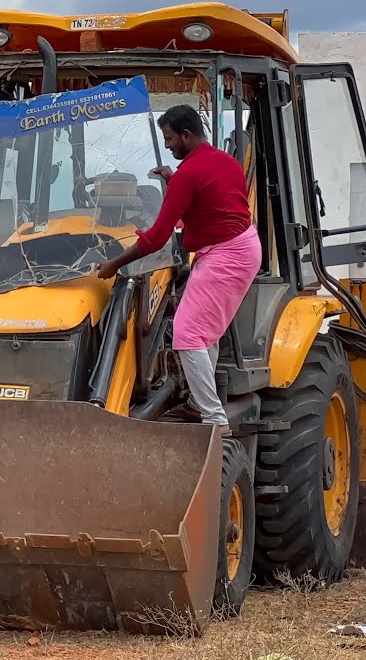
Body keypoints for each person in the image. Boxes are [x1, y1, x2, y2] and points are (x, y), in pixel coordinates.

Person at [97, 105, 260, 435]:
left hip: (225, 256)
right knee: (206, 333)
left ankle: (214, 421)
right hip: (241, 247)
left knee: (187, 335)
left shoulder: (190, 172)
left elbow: (156, 238)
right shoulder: (221, 161)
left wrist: (113, 265)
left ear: (187, 135)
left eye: (170, 138)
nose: (168, 145)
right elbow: (211, 200)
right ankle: (202, 405)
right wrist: (173, 182)